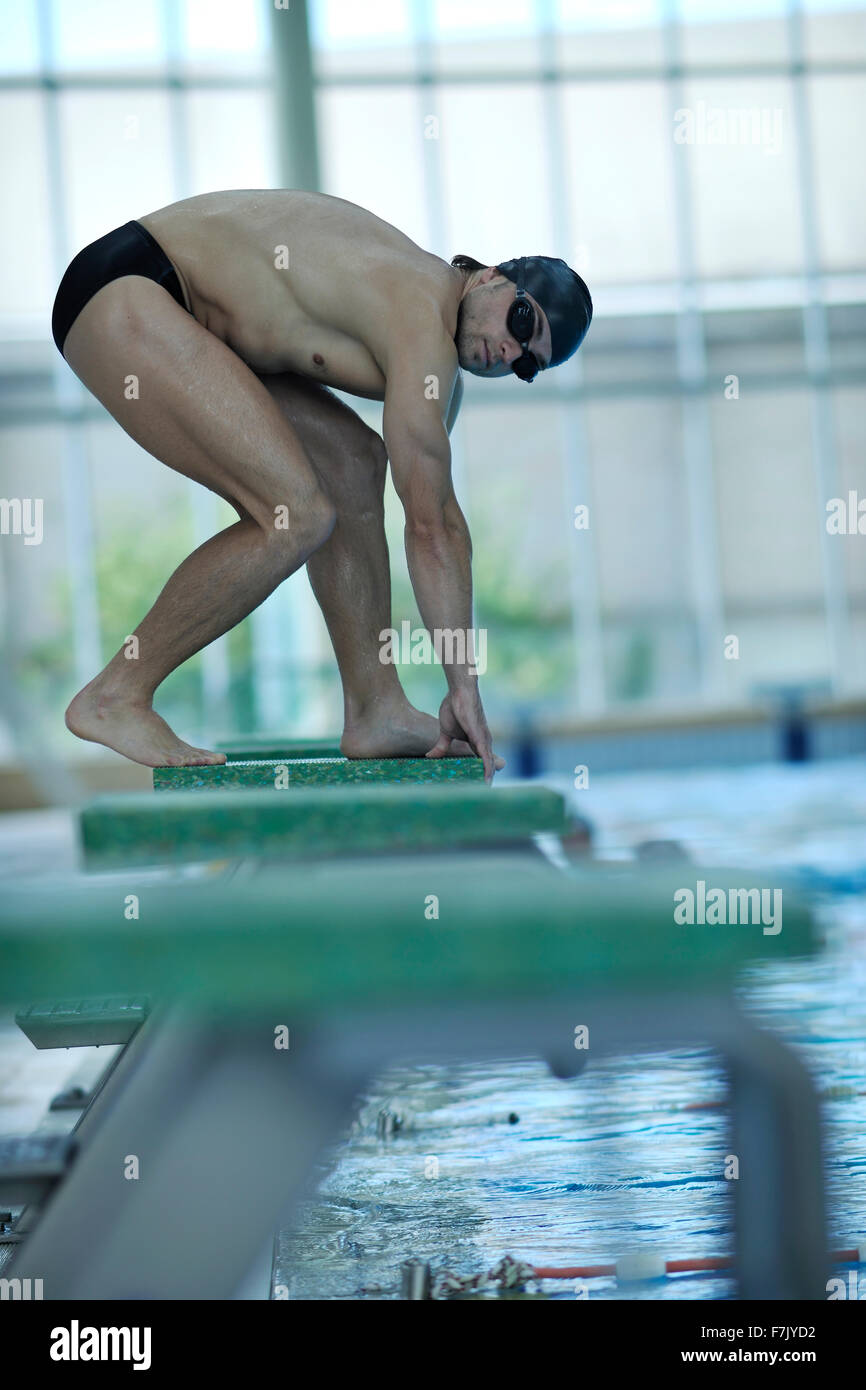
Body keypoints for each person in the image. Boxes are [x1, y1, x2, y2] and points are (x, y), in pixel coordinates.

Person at [52, 190, 592, 781]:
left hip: (190, 319)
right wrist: (464, 686)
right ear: (491, 277)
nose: (507, 352)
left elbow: (432, 513)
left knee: (356, 465)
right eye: (522, 321)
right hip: (131, 290)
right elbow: (433, 528)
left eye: (524, 364)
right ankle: (115, 695)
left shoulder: (434, 370)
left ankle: (375, 710)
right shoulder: (421, 311)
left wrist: (459, 678)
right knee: (294, 513)